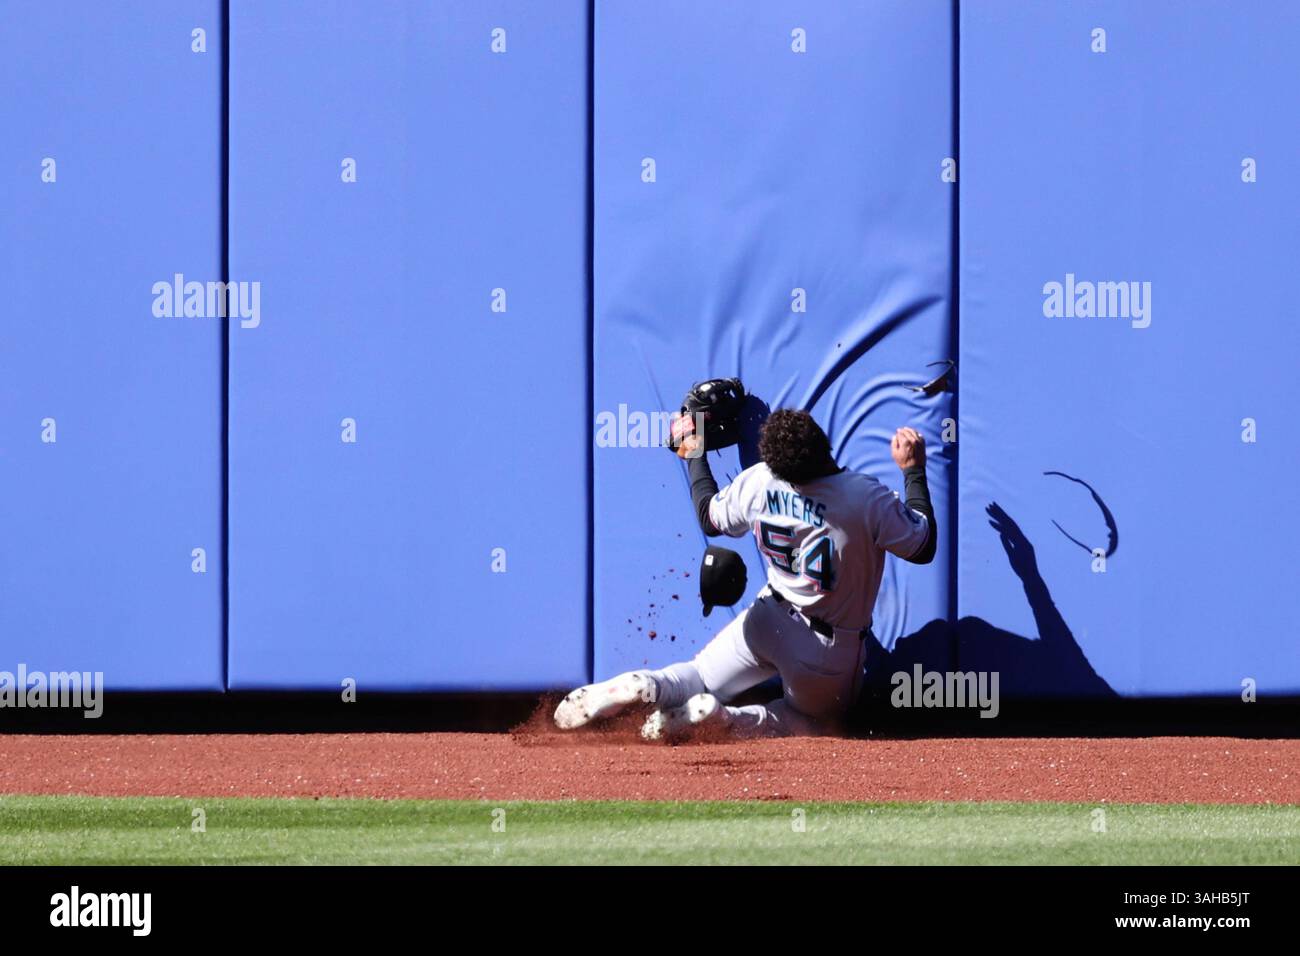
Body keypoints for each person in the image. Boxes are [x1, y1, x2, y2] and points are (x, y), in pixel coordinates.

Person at [555, 408, 936, 740]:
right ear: (823, 442)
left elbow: (709, 516)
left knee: (698, 676)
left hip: (766, 619)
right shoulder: (864, 497)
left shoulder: (759, 481)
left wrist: (692, 448)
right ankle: (723, 719)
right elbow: (922, 546)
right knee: (810, 722)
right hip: (825, 651)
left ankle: (649, 684)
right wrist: (913, 470)